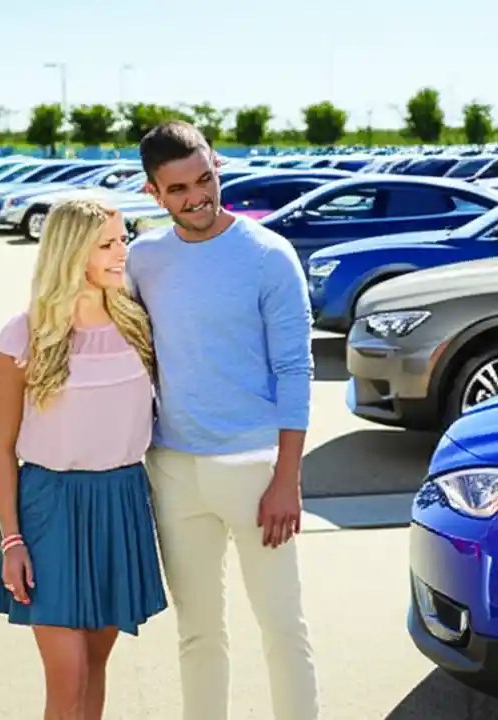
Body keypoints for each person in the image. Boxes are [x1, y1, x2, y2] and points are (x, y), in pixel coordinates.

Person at [125, 120, 319, 720]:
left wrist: (288, 477)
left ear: (217, 167)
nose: (197, 197)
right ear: (154, 193)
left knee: (282, 627)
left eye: (204, 179)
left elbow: (295, 368)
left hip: (255, 470)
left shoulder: (267, 255)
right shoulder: (143, 258)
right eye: (178, 188)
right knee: (197, 632)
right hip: (174, 469)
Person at [0, 198, 168, 720]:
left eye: (123, 239)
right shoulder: (23, 336)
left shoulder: (138, 325)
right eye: (108, 243)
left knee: (94, 667)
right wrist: (11, 538)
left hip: (121, 502)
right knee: (66, 679)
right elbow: (1, 447)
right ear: (72, 253)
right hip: (49, 509)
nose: (122, 252)